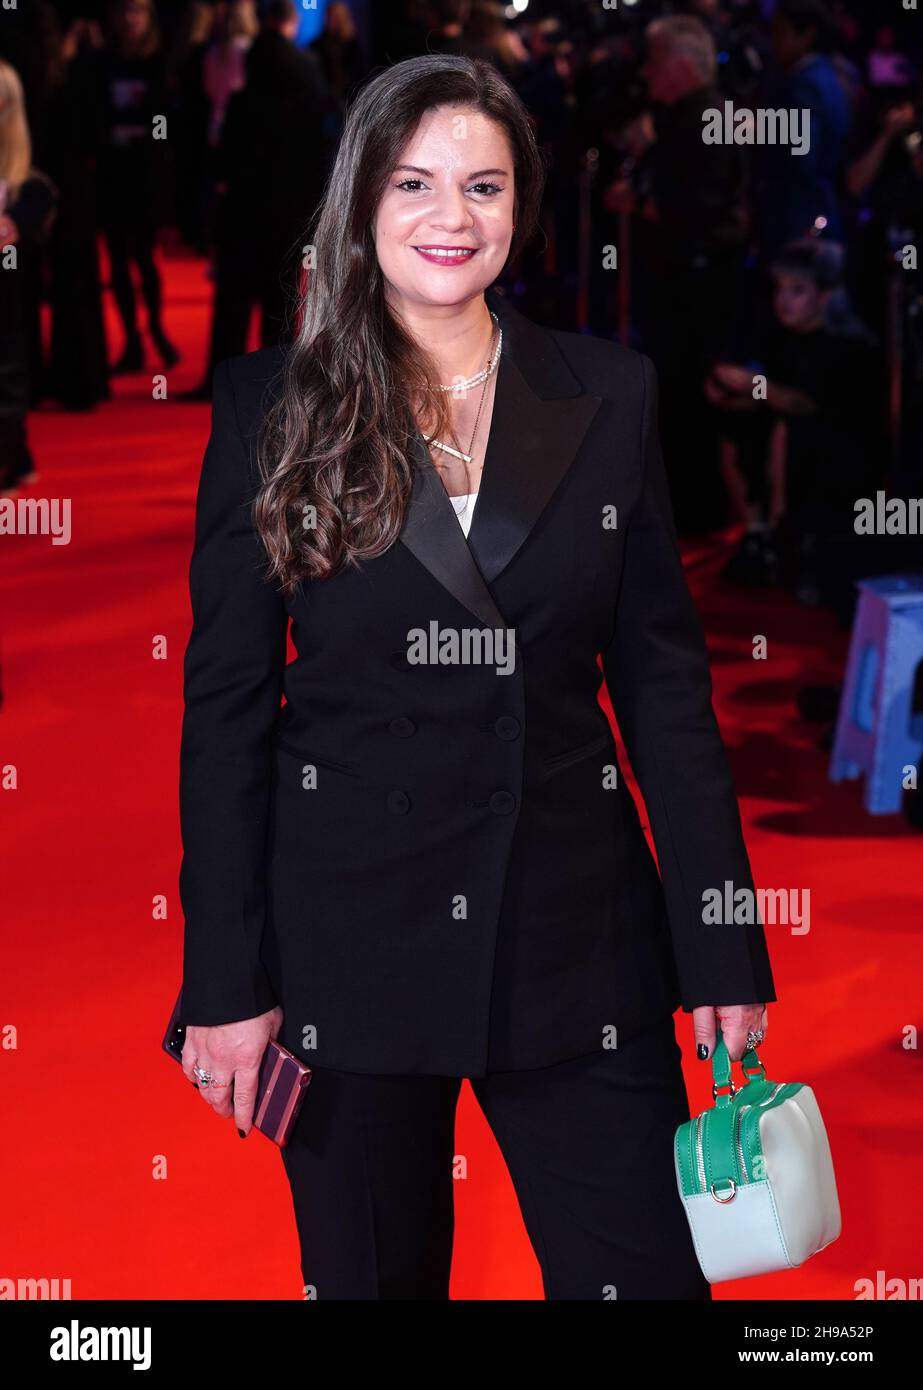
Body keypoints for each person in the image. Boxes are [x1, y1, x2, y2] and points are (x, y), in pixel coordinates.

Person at [177, 53, 776, 1301]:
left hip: (572, 933)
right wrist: (224, 985)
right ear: (361, 205)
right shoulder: (270, 407)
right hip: (350, 948)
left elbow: (663, 687)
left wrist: (721, 943)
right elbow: (226, 713)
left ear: (522, 205)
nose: (452, 218)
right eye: (414, 183)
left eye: (484, 186)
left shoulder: (605, 395)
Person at [0, 59, 58, 494]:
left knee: (8, 374)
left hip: (7, 299)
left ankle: (10, 455)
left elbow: (44, 198)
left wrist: (15, 224)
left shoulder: (24, 180)